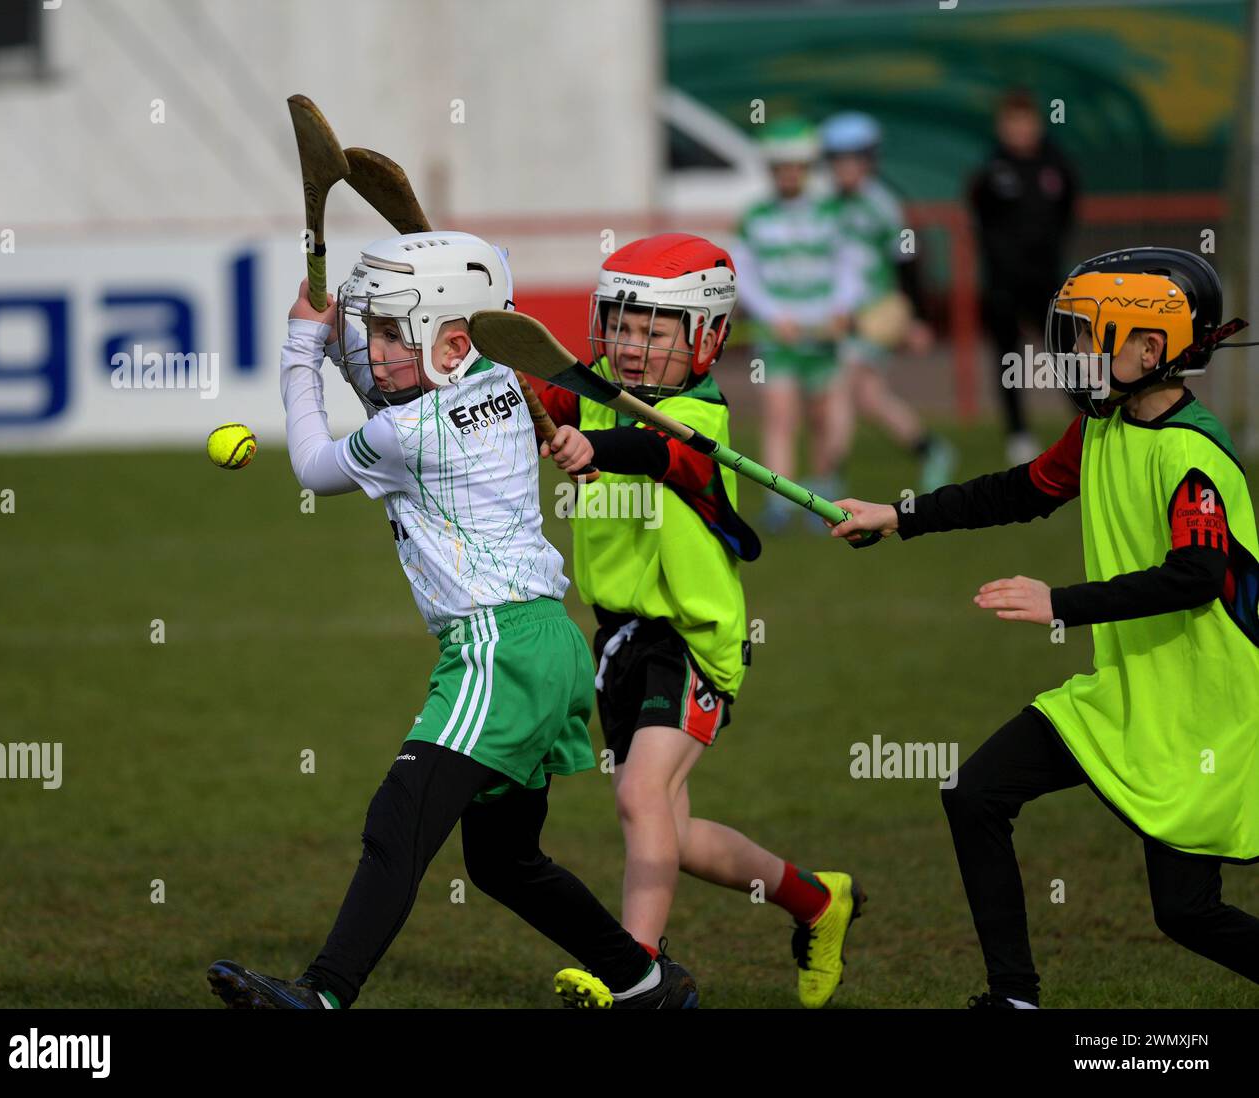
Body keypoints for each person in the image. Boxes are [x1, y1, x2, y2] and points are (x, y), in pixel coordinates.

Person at [207, 231, 697, 1010]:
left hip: (496, 648)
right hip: (546, 644)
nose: (373, 347)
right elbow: (392, 385)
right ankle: (644, 982)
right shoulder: (499, 376)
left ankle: (324, 995)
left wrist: (303, 347)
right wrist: (347, 339)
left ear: (454, 341)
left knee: (397, 818)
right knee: (503, 863)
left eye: (391, 332)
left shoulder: (409, 432)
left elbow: (311, 461)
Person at [829, 248, 1259, 1006]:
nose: (1074, 356)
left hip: (1203, 716)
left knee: (1188, 914)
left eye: (1096, 337)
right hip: (1126, 695)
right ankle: (1014, 997)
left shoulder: (1191, 455)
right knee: (974, 794)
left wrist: (1060, 603)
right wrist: (900, 516)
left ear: (1151, 350)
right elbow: (1020, 491)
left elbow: (1196, 577)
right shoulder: (1104, 427)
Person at [538, 232, 865, 1009]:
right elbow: (533, 396)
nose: (633, 346)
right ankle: (820, 902)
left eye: (655, 332)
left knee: (638, 797)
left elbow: (656, 452)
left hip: (690, 638)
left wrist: (593, 444)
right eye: (622, 325)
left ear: (708, 339)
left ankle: (636, 972)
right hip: (617, 641)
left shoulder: (699, 415)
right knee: (669, 837)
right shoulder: (591, 392)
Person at [819, 111, 956, 495]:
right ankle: (932, 450)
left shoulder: (881, 205)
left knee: (843, 386)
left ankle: (831, 476)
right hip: (841, 317)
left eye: (852, 159)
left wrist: (915, 318)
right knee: (869, 397)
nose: (844, 168)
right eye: (837, 160)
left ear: (868, 160)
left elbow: (909, 261)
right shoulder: (828, 204)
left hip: (875, 315)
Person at [733, 118, 857, 532]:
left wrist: (841, 309)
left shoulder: (831, 213)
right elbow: (744, 276)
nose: (789, 173)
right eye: (781, 166)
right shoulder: (755, 217)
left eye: (797, 166)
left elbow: (848, 267)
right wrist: (772, 315)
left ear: (808, 168)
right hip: (779, 336)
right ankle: (780, 502)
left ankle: (822, 497)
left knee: (823, 418)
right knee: (781, 418)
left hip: (823, 336)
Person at [968, 89, 1079, 465]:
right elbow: (980, 222)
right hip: (1003, 284)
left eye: (1025, 122)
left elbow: (1066, 212)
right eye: (1011, 123)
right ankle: (1018, 432)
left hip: (1048, 280)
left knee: (1067, 352)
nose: (1019, 130)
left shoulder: (1056, 166)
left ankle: (1086, 420)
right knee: (1009, 361)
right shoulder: (992, 172)